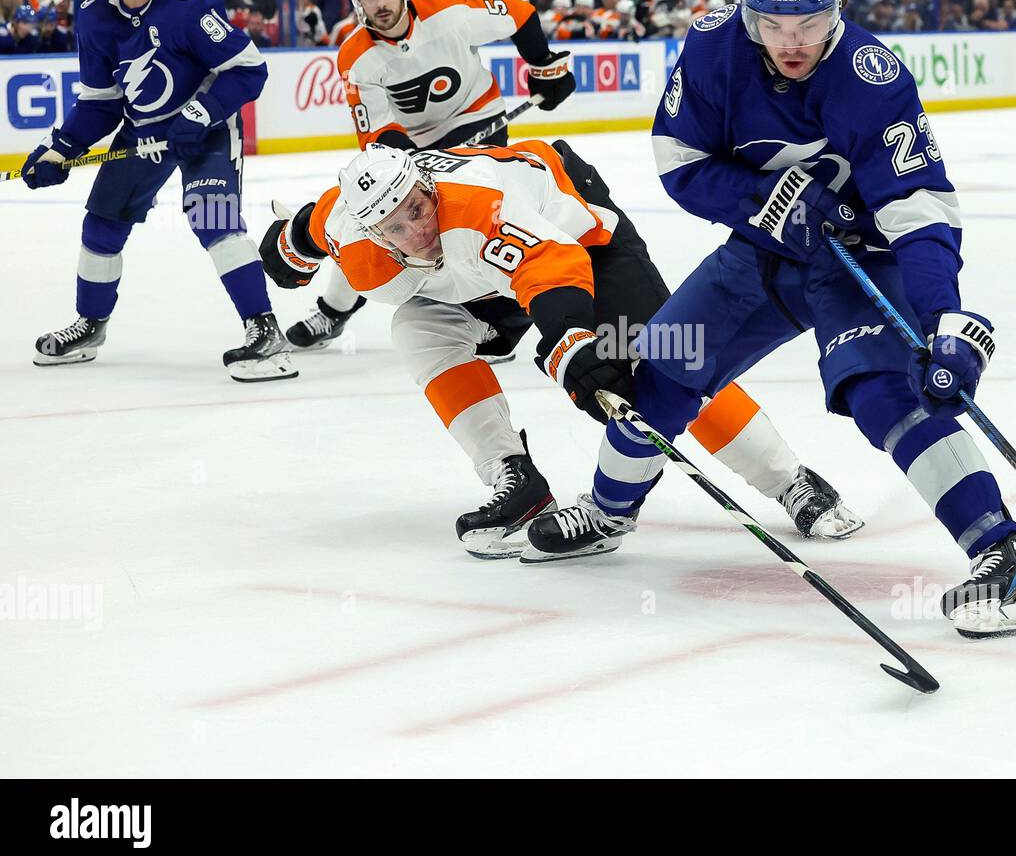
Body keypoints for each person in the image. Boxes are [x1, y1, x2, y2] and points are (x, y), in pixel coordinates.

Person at [528, 0, 1016, 640]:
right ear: (750, 9)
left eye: (810, 22)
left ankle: (1008, 562)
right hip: (761, 250)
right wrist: (763, 203)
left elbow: (920, 209)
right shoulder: (713, 46)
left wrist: (944, 318)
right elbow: (678, 157)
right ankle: (607, 512)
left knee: (890, 393)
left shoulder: (872, 77)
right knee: (662, 365)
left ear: (837, 7)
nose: (791, 40)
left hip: (861, 260)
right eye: (774, 22)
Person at [259, 141, 863, 554]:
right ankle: (514, 479)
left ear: (425, 187)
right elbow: (304, 234)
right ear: (370, 235)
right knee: (416, 328)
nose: (419, 228)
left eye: (419, 207)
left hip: (579, 235)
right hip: (483, 281)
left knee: (667, 356)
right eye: (397, 226)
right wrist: (285, 254)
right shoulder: (350, 232)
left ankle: (792, 480)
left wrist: (574, 343)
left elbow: (552, 263)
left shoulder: (476, 204)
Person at [20, 0, 293, 381]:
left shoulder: (189, 6)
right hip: (143, 133)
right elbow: (101, 103)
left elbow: (249, 70)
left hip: (205, 129)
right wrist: (58, 149)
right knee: (101, 225)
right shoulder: (94, 17)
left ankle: (265, 333)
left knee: (214, 220)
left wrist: (200, 113)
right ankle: (91, 325)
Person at [283, 0, 577, 353]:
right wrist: (423, 164)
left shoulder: (448, 7)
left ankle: (496, 320)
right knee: (373, 224)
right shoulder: (355, 57)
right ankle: (333, 313)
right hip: (413, 146)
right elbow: (379, 135)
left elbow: (519, 13)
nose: (381, 4)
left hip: (478, 119)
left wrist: (543, 65)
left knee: (469, 225)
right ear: (357, 2)